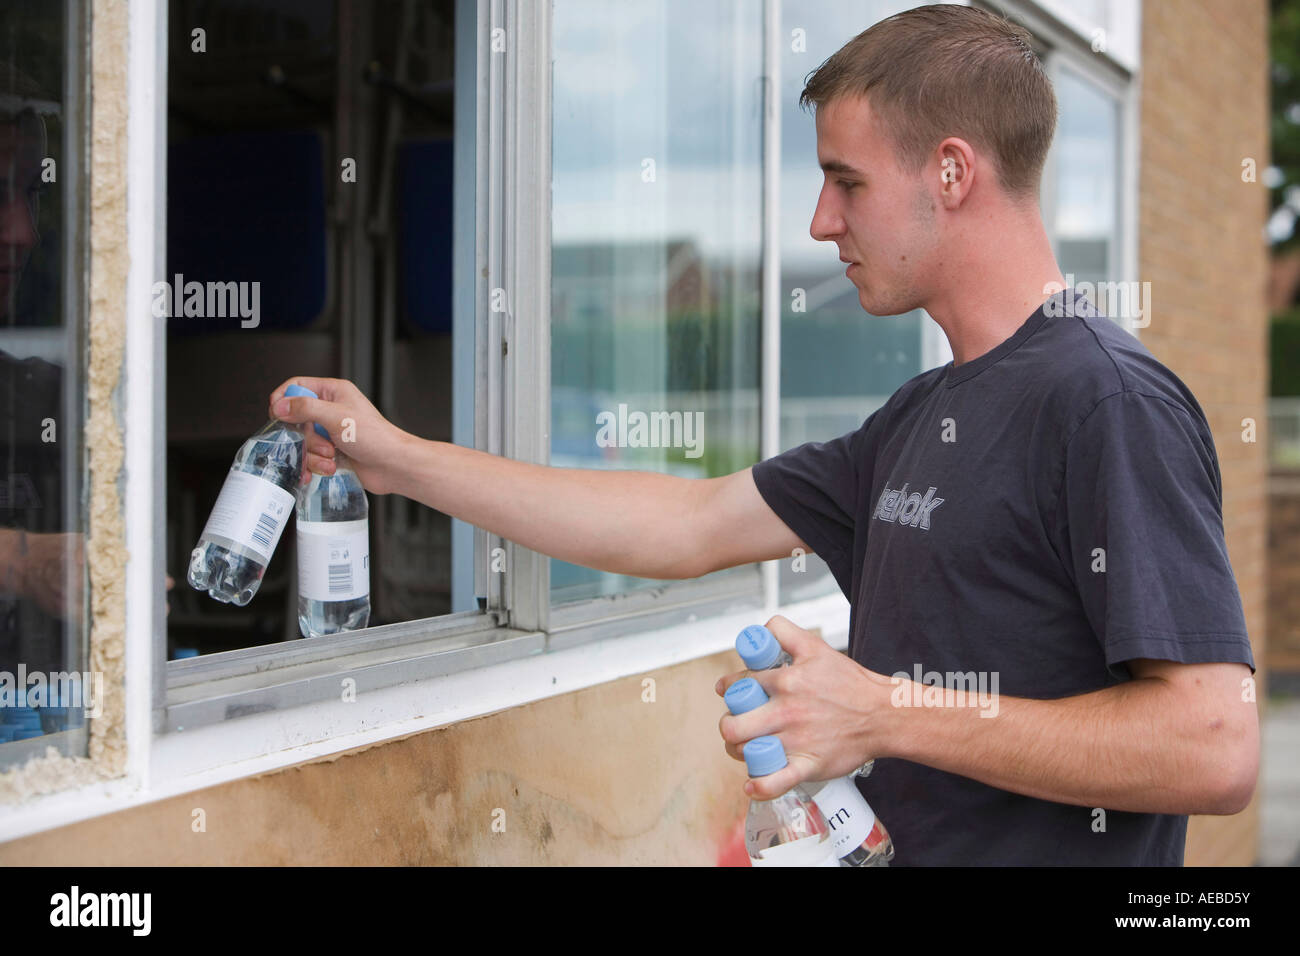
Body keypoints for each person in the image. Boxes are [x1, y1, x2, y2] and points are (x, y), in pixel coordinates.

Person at [268, 4, 1258, 865]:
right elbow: (687, 522)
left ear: (951, 172)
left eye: (847, 181)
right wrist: (397, 455)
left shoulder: (1105, 400)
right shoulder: (920, 416)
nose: (822, 220)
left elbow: (1212, 744)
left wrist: (879, 712)